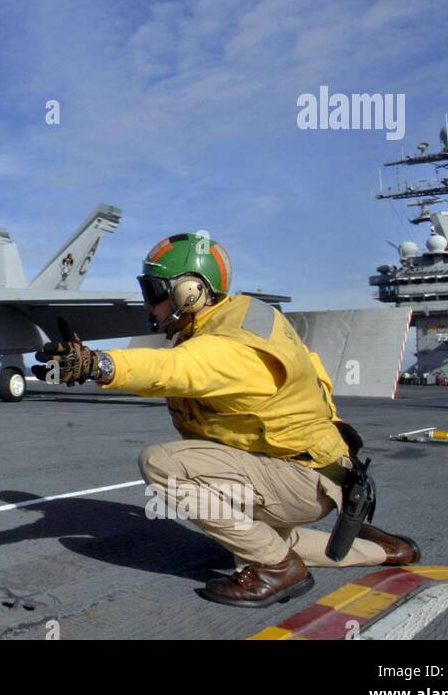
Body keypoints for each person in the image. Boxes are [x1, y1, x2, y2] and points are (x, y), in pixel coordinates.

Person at [35, 232, 420, 607]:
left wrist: (97, 364)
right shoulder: (241, 321)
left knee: (162, 463)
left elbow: (172, 369)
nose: (149, 305)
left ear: (189, 292)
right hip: (319, 471)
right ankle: (385, 550)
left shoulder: (229, 345)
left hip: (300, 476)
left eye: (153, 291)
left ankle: (280, 569)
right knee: (249, 544)